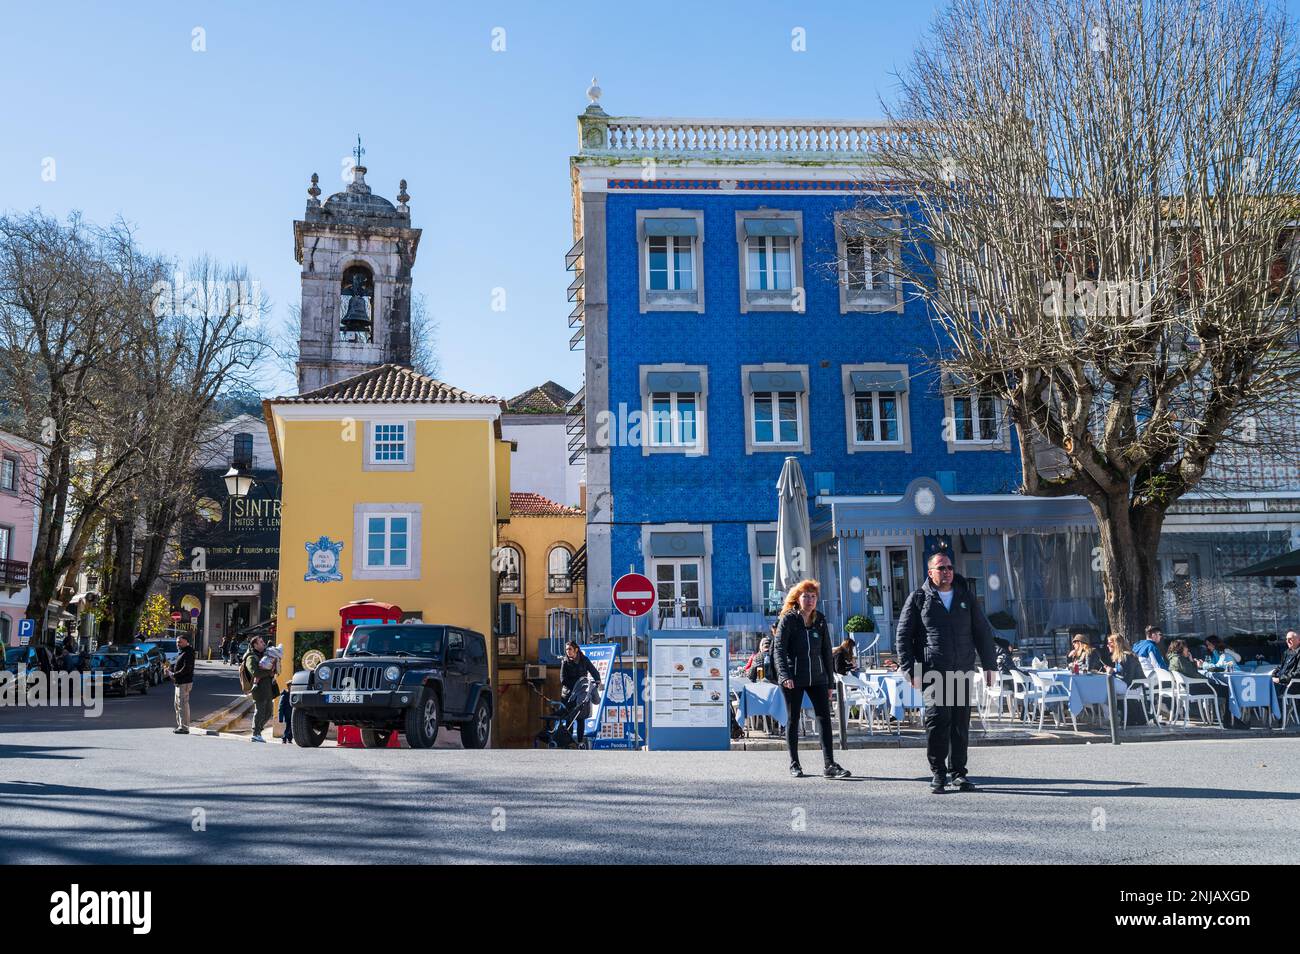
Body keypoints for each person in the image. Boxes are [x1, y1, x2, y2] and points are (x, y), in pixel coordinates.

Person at [895, 551, 997, 794]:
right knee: (938, 722)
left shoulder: (965, 597)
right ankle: (939, 774)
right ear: (930, 572)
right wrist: (910, 669)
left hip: (962, 668)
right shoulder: (919, 598)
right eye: (941, 568)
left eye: (949, 567)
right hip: (934, 671)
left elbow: (982, 631)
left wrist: (990, 664)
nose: (947, 571)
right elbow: (903, 636)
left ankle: (959, 774)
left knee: (960, 725)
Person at [773, 579, 850, 779]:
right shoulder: (788, 619)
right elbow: (779, 650)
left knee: (824, 718)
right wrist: (784, 675)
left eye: (813, 596)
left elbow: (826, 652)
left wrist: (830, 682)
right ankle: (794, 763)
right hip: (794, 676)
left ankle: (829, 764)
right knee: (793, 718)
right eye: (806, 596)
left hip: (817, 677)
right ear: (797, 599)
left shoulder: (820, 620)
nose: (810, 600)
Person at [560, 641, 601, 746]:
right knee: (570, 718)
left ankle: (580, 742)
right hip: (568, 695)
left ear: (576, 650)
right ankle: (568, 742)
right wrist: (575, 687)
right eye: (566, 649)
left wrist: (597, 680)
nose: (568, 651)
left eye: (570, 649)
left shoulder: (584, 660)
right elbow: (563, 680)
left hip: (582, 694)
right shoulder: (565, 662)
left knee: (581, 718)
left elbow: (594, 671)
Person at [242, 634, 279, 742]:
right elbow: (255, 672)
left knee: (268, 712)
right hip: (258, 689)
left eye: (263, 642)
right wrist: (269, 672)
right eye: (261, 642)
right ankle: (256, 733)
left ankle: (258, 731)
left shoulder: (263, 654)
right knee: (260, 711)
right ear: (255, 644)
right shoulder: (251, 657)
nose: (264, 643)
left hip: (266, 688)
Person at [1104, 634, 1147, 725]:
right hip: (1126, 684)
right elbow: (1122, 672)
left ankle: (1111, 717)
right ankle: (1111, 715)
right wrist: (1114, 671)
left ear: (1116, 644)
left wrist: (1113, 672)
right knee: (1105, 688)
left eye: (1109, 643)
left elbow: (1128, 677)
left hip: (1132, 686)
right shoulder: (1120, 656)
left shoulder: (1126, 656)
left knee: (1106, 687)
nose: (1107, 645)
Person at [169, 632, 195, 734]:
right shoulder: (182, 651)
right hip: (180, 682)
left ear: (186, 642)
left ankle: (184, 727)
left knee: (182, 705)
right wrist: (171, 670)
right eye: (177, 642)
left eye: (180, 642)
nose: (177, 644)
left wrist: (175, 674)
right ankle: (181, 725)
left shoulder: (188, 652)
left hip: (184, 682)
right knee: (178, 705)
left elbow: (186, 668)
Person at [1272, 630, 1300, 698]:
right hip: (1283, 683)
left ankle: (1277, 708)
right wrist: (1272, 674)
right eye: (1286, 639)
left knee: (1271, 688)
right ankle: (1264, 708)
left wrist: (1280, 679)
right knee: (1263, 684)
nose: (1287, 641)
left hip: (1294, 685)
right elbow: (1281, 667)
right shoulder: (1287, 652)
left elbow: (1298, 673)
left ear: (1299, 640)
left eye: (1290, 639)